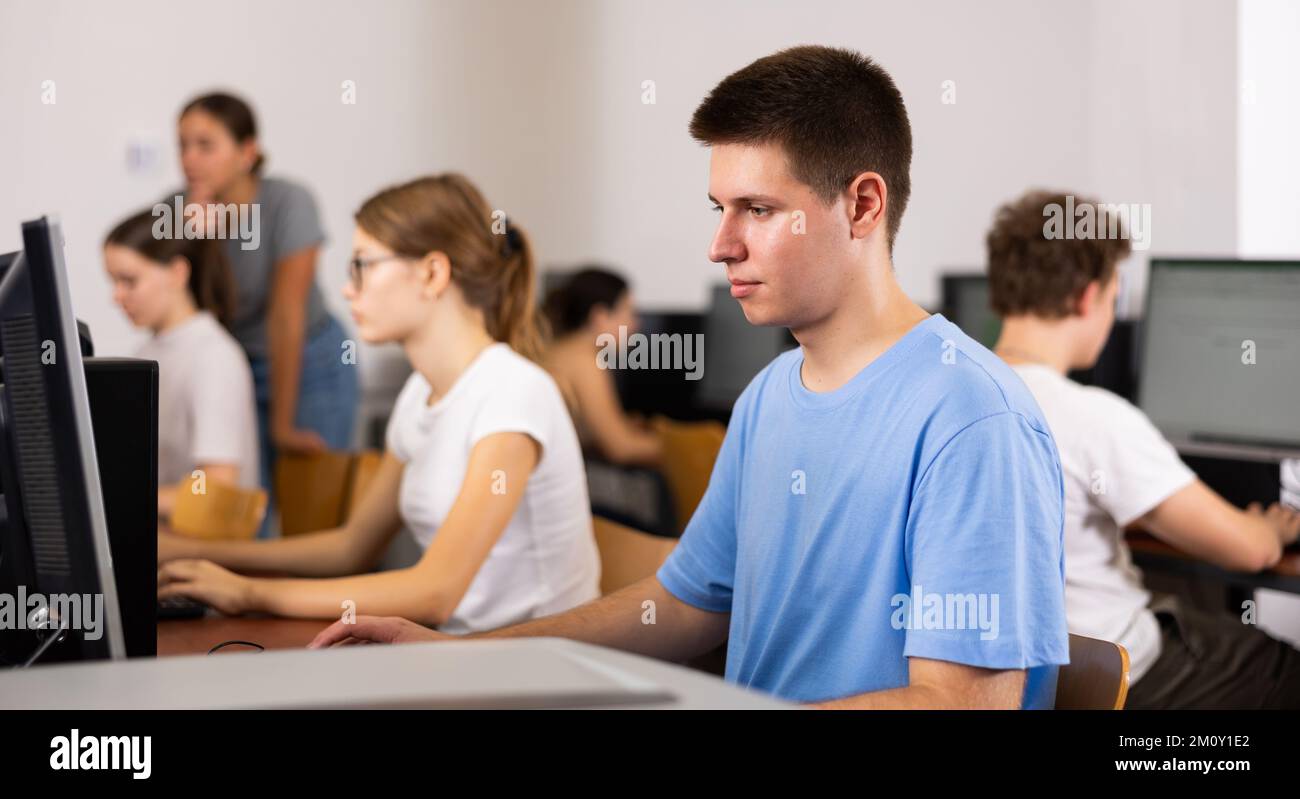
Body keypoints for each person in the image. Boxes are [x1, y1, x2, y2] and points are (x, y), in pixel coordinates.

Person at [310, 46, 1070, 710]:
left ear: (863, 205)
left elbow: (960, 704)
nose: (720, 244)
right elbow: (683, 606)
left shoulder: (971, 415)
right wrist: (465, 654)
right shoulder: (771, 397)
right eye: (719, 208)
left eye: (758, 209)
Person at [156, 175, 600, 634]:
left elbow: (434, 594)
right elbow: (350, 547)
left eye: (362, 266)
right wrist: (190, 554)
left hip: (534, 669)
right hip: (459, 655)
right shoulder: (419, 394)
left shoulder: (513, 392)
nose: (348, 289)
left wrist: (250, 592)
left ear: (432, 273)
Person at [987, 189, 1300, 708]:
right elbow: (1250, 551)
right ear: (1089, 296)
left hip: (1012, 678)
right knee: (1284, 668)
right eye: (1115, 295)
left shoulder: (951, 391)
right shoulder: (1092, 416)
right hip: (1109, 673)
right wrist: (1272, 526)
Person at [172, 91, 358, 524]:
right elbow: (193, 311)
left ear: (247, 152)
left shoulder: (289, 202)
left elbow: (285, 316)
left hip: (309, 360)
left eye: (205, 145)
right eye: (182, 144)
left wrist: (282, 424)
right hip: (238, 363)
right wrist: (197, 240)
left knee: (310, 510)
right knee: (249, 509)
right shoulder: (178, 210)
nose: (189, 159)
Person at [103, 208, 259, 521]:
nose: (117, 296)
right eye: (114, 281)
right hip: (162, 539)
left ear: (177, 272)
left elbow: (215, 487)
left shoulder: (213, 356)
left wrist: (119, 496)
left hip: (204, 551)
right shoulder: (147, 351)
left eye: (129, 281)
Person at [541, 267, 662, 466]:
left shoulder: (562, 350)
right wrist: (691, 447)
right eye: (628, 312)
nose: (635, 324)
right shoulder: (584, 361)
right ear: (600, 316)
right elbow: (622, 448)